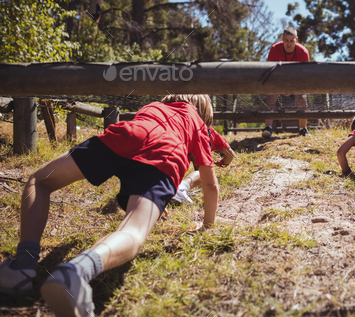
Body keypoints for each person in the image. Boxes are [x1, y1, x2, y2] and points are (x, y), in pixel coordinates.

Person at [0, 94, 219, 316]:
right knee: (134, 231)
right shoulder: (197, 122)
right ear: (203, 111)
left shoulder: (155, 106)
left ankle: (22, 266)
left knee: (40, 180)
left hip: (127, 134)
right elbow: (210, 184)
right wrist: (208, 225)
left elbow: (140, 148)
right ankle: (76, 272)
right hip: (166, 154)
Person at [262, 26, 310, 138]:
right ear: (282, 38)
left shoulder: (303, 52)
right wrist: (282, 86)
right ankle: (268, 128)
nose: (289, 44)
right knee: (271, 96)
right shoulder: (274, 49)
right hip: (278, 81)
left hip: (297, 82)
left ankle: (303, 129)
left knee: (302, 97)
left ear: (296, 40)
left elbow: (304, 76)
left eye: (291, 41)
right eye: (286, 40)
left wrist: (292, 87)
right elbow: (270, 72)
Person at [173, 126, 235, 204]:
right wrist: (222, 163)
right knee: (203, 173)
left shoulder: (182, 124)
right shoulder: (209, 131)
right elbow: (230, 155)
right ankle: (182, 187)